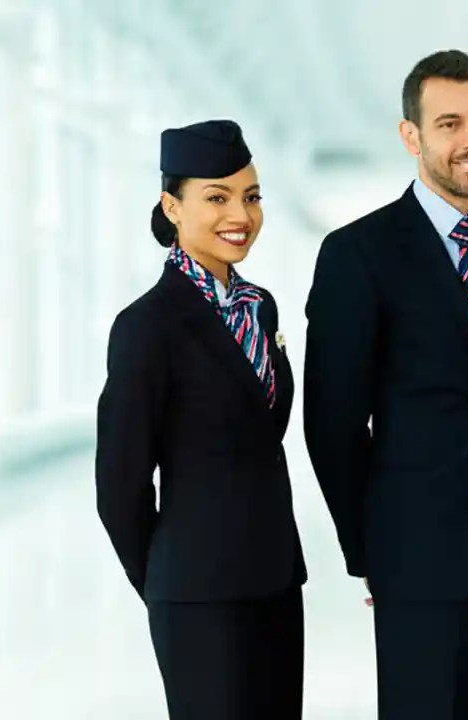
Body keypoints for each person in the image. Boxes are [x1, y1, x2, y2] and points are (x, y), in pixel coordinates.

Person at [303, 50, 468, 720]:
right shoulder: (359, 254)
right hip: (421, 566)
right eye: (449, 124)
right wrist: (375, 555)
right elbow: (332, 425)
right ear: (411, 136)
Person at [95, 119, 306, 719]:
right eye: (217, 198)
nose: (240, 215)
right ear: (172, 206)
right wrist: (166, 578)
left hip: (275, 580)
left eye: (251, 197)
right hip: (198, 593)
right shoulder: (146, 326)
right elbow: (120, 483)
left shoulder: (260, 308)